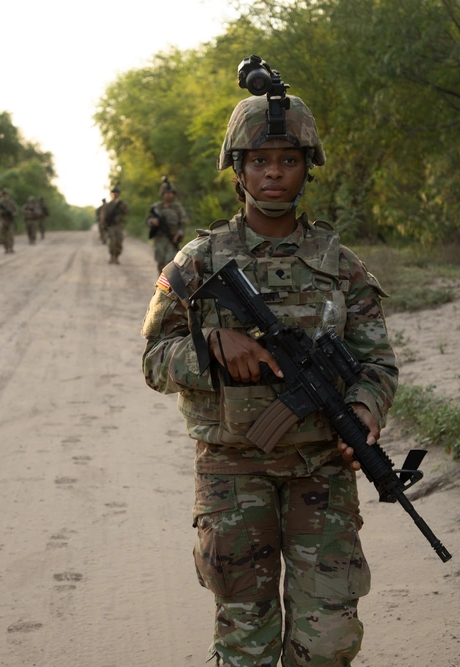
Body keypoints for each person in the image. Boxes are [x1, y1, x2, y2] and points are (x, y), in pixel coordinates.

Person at [140, 89, 397, 665]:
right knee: (245, 639)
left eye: (288, 160)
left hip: (322, 471)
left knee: (329, 642)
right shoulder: (199, 261)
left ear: (307, 168)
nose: (274, 174)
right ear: (239, 170)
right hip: (233, 469)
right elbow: (154, 359)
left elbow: (377, 363)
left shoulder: (341, 264)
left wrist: (364, 410)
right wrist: (210, 346)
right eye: (259, 161)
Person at [146, 176, 190, 273]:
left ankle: (169, 285)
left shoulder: (177, 207)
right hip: (159, 239)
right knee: (160, 262)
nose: (168, 195)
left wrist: (179, 234)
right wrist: (153, 221)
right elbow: (147, 221)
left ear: (174, 194)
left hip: (172, 238)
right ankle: (161, 285)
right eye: (166, 193)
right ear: (162, 194)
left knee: (170, 263)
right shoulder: (156, 207)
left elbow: (183, 221)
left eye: (170, 193)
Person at [102, 186, 128, 264]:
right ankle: (112, 257)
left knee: (119, 242)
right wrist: (104, 226)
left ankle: (116, 257)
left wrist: (122, 207)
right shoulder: (108, 205)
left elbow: (127, 213)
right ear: (111, 194)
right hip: (111, 226)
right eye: (113, 193)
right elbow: (105, 216)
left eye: (117, 193)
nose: (115, 194)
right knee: (112, 242)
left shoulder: (122, 204)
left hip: (119, 225)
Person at [0, 188, 18, 254]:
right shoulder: (0, 203)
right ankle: (6, 248)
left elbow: (16, 211)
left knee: (10, 234)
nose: (5, 197)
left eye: (6, 195)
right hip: (4, 220)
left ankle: (11, 248)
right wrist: (3, 212)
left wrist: (12, 214)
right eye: (4, 195)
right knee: (4, 235)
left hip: (10, 221)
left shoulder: (11, 203)